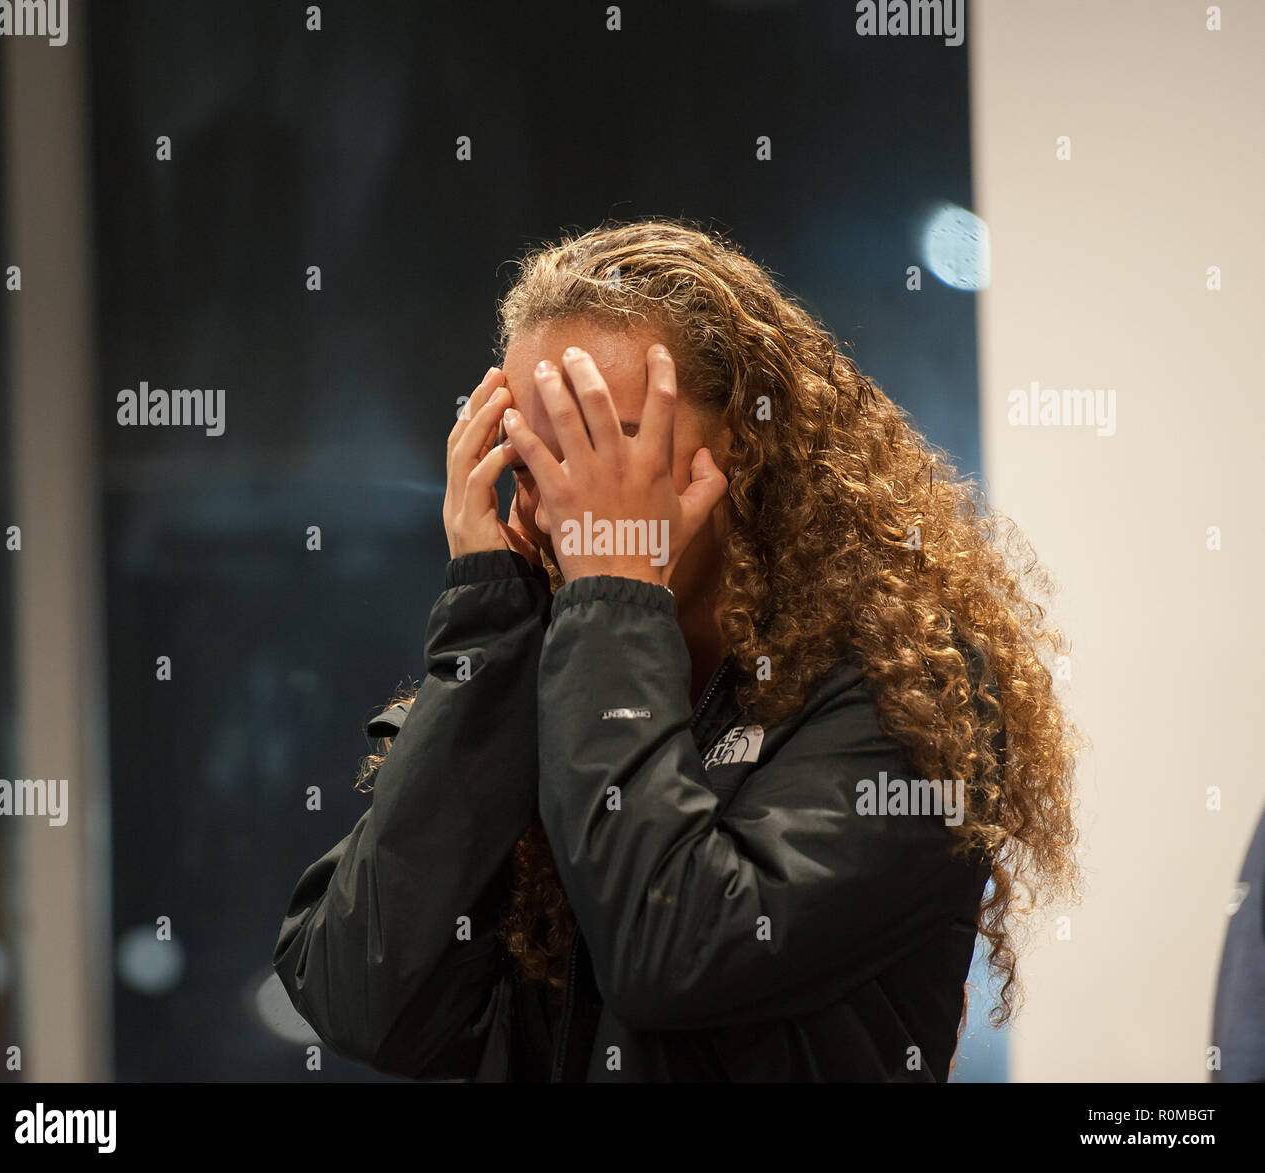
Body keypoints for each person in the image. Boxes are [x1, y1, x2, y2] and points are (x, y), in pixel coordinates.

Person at [272, 217, 1080, 1081]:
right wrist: (489, 629)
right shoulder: (542, 654)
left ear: (742, 439)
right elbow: (357, 991)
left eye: (609, 439)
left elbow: (674, 952)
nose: (568, 488)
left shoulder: (902, 688)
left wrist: (616, 598)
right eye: (533, 447)